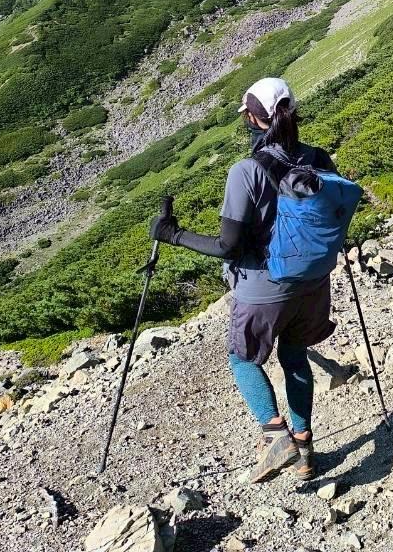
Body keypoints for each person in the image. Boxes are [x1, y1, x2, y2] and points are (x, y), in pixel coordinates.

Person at [149, 76, 336, 483]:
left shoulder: (246, 171)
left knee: (242, 359)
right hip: (313, 282)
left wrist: (173, 235)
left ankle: (275, 434)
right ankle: (304, 449)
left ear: (252, 119)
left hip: (264, 287)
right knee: (295, 355)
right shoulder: (319, 159)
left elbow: (228, 247)